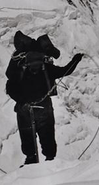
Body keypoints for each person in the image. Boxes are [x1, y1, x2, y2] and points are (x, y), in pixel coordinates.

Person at [6, 31, 83, 165]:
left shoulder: (20, 70)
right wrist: (75, 60)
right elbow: (65, 71)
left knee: (27, 138)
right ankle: (50, 162)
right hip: (44, 108)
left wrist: (22, 102)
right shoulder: (47, 68)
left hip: (24, 110)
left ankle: (31, 161)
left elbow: (10, 88)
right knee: (47, 137)